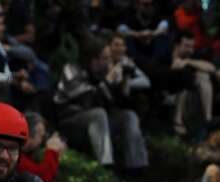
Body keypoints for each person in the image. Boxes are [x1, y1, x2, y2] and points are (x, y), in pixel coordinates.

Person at [50, 40, 149, 174]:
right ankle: (106, 167)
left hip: (99, 124)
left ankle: (137, 167)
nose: (109, 62)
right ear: (93, 60)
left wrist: (123, 81)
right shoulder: (72, 70)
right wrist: (108, 81)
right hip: (70, 123)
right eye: (105, 58)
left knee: (128, 116)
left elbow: (120, 104)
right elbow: (88, 100)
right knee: (98, 113)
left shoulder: (104, 71)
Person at [165, 30, 216, 138]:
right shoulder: (166, 54)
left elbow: (211, 68)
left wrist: (188, 62)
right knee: (184, 79)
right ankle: (177, 120)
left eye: (192, 46)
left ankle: (208, 119)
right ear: (177, 45)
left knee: (203, 76)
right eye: (187, 46)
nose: (190, 49)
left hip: (189, 92)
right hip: (169, 90)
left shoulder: (191, 56)